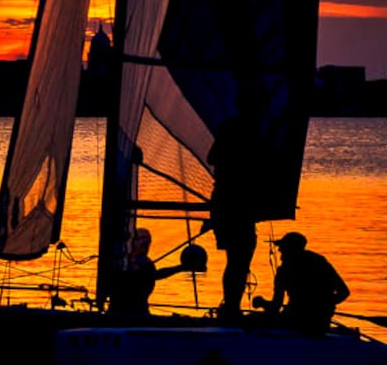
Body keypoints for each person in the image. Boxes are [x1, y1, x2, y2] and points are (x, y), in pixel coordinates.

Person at [208, 116, 258, 321]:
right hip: (233, 203)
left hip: (225, 203)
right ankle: (231, 306)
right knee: (239, 259)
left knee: (236, 260)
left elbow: (211, 158)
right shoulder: (244, 128)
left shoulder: (230, 127)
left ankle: (231, 305)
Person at [252, 232, 350, 336]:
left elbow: (275, 307)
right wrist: (324, 305)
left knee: (251, 320)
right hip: (320, 324)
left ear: (292, 250)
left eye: (283, 248)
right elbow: (344, 292)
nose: (279, 251)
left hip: (295, 321)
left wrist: (261, 302)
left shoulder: (284, 271)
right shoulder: (320, 262)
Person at [108, 228, 207, 321]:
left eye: (146, 243)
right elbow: (154, 275)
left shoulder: (143, 262)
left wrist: (180, 268)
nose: (145, 245)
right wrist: (180, 268)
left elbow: (154, 275)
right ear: (133, 242)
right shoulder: (127, 262)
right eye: (141, 241)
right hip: (129, 312)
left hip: (139, 310)